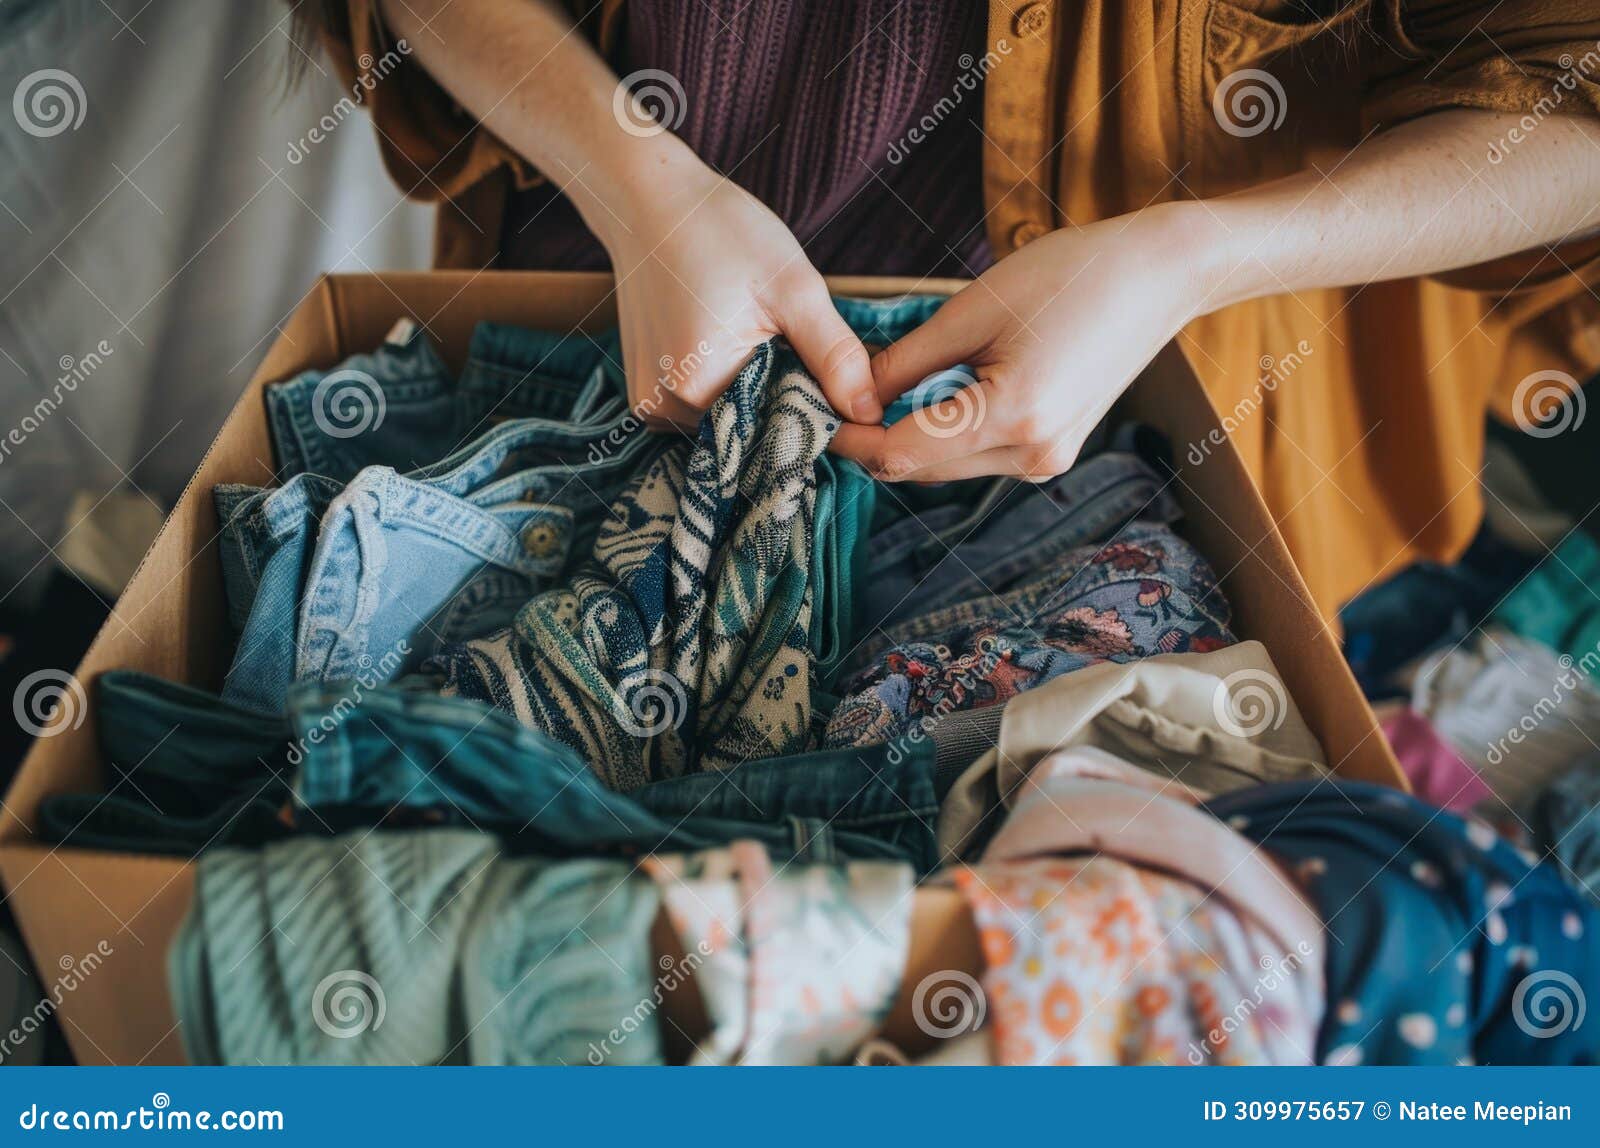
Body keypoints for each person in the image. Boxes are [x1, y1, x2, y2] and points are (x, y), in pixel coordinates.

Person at [298, 0, 1600, 619]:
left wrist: (1189, 258)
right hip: (605, 322)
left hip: (1182, 425)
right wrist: (636, 181)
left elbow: (1571, 85)